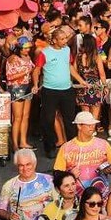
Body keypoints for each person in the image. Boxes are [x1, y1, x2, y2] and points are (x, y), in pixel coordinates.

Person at [0, 149, 55, 220]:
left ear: (35, 164)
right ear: (16, 166)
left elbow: (59, 203)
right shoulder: (9, 185)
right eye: (21, 165)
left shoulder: (48, 180)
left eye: (28, 164)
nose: (25, 168)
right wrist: (8, 216)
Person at [32, 27, 80, 157]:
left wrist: (81, 80)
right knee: (48, 120)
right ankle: (50, 147)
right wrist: (36, 85)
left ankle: (72, 147)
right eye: (62, 39)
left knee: (70, 120)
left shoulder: (67, 50)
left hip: (67, 90)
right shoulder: (45, 53)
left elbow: (70, 67)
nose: (65, 41)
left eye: (65, 38)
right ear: (54, 40)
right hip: (50, 91)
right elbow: (37, 70)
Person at [53, 111, 111, 188]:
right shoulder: (66, 147)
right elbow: (57, 173)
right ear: (79, 126)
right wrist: (70, 175)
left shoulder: (103, 144)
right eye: (88, 125)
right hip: (76, 194)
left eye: (93, 124)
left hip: (101, 193)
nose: (92, 127)